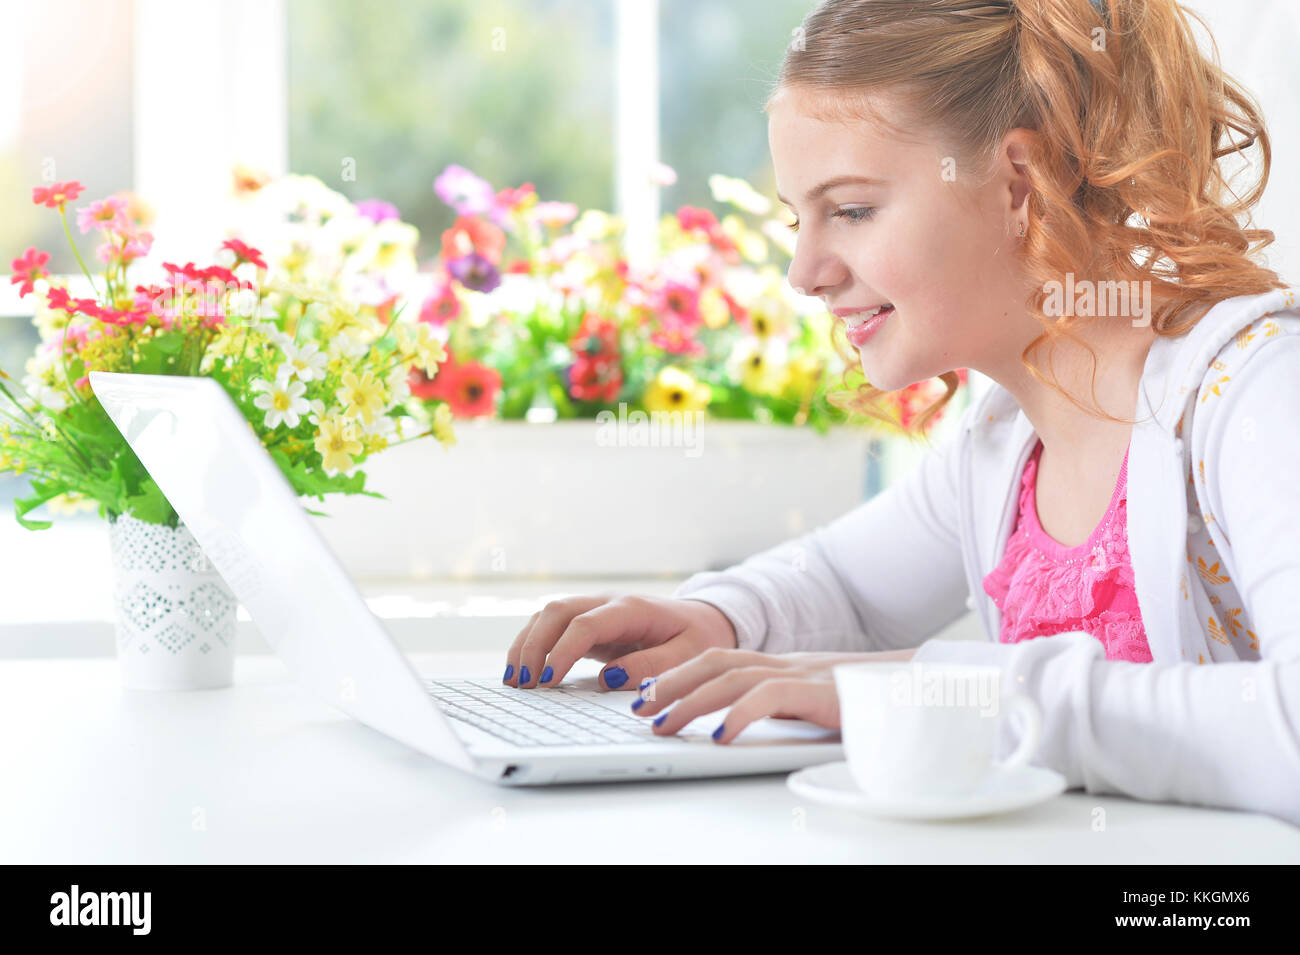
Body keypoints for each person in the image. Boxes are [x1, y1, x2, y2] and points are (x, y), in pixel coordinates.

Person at [502, 0, 1300, 825]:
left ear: (1020, 185)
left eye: (849, 210)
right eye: (795, 218)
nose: (803, 272)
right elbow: (847, 588)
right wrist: (716, 619)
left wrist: (960, 690)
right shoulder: (1004, 441)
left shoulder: (1251, 394)